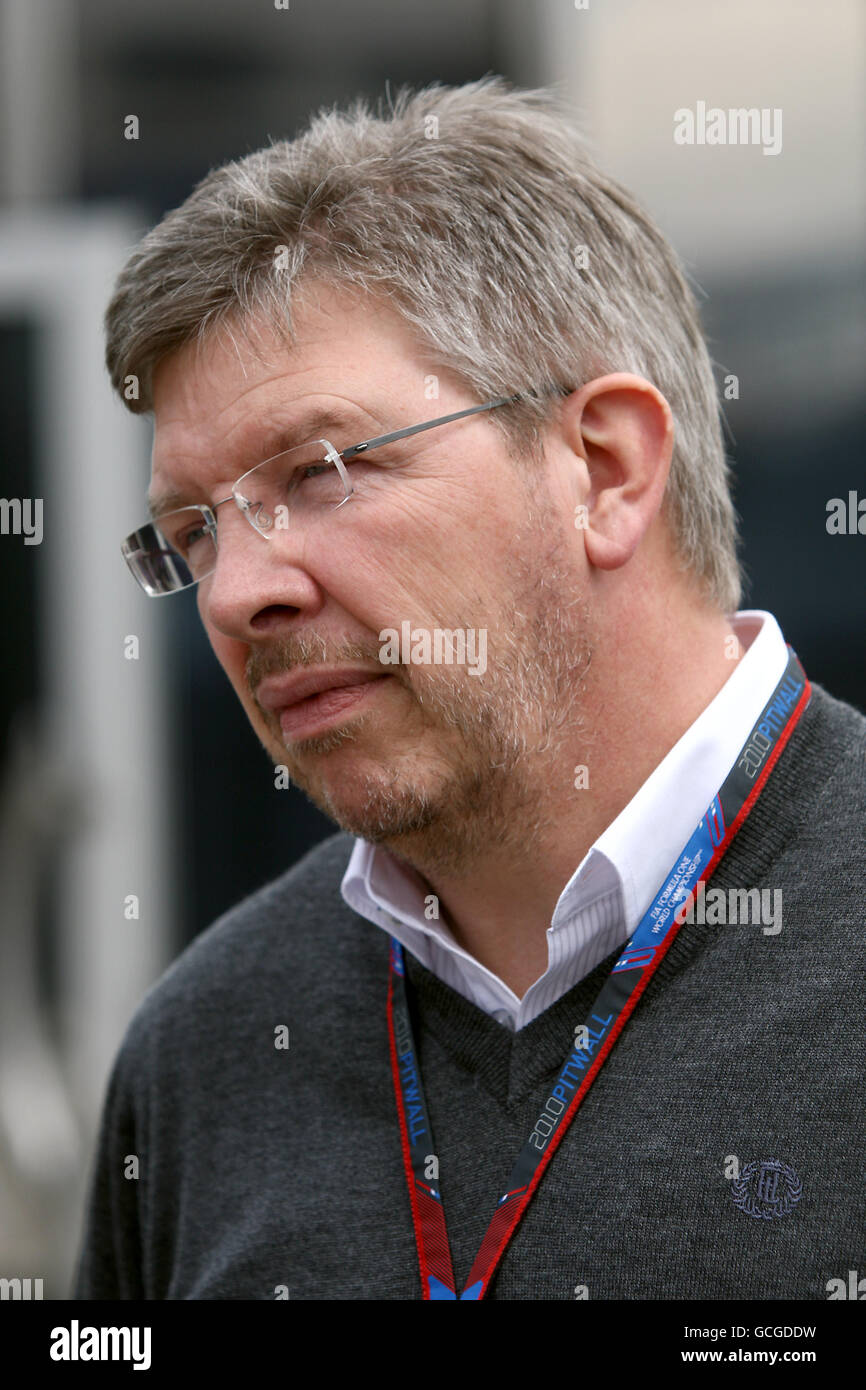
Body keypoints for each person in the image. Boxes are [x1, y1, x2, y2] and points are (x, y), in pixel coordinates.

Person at [73, 76, 864, 1301]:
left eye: (322, 469)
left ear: (601, 469)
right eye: (191, 533)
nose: (234, 594)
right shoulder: (204, 1050)